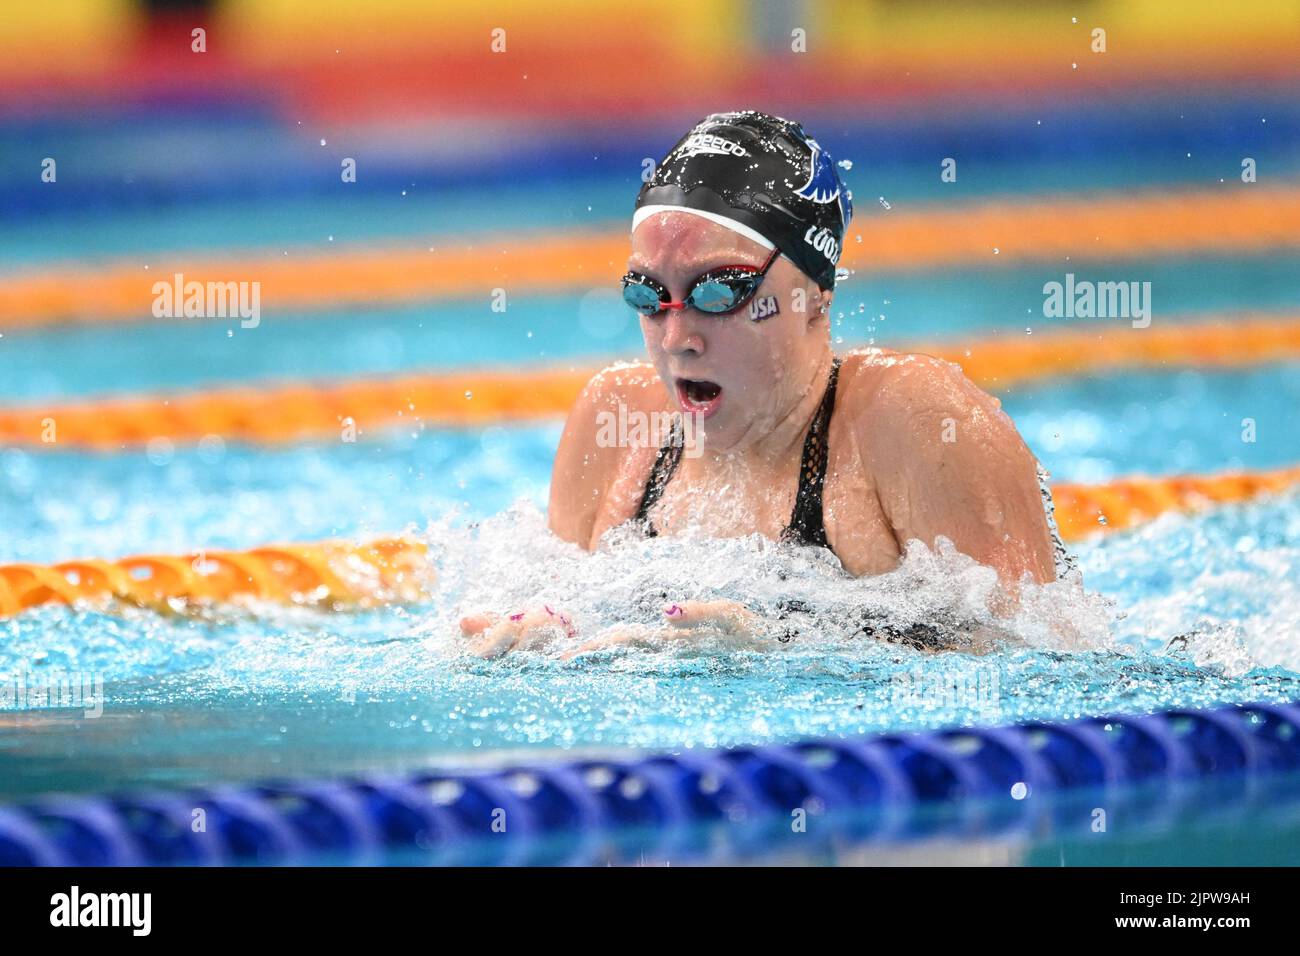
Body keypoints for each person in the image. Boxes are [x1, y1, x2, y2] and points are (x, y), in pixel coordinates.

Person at [461, 110, 1076, 658]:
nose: (677, 337)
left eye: (719, 290)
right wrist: (537, 640)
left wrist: (786, 648)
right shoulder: (614, 420)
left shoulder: (913, 419)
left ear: (813, 297)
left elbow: (1040, 662)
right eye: (648, 295)